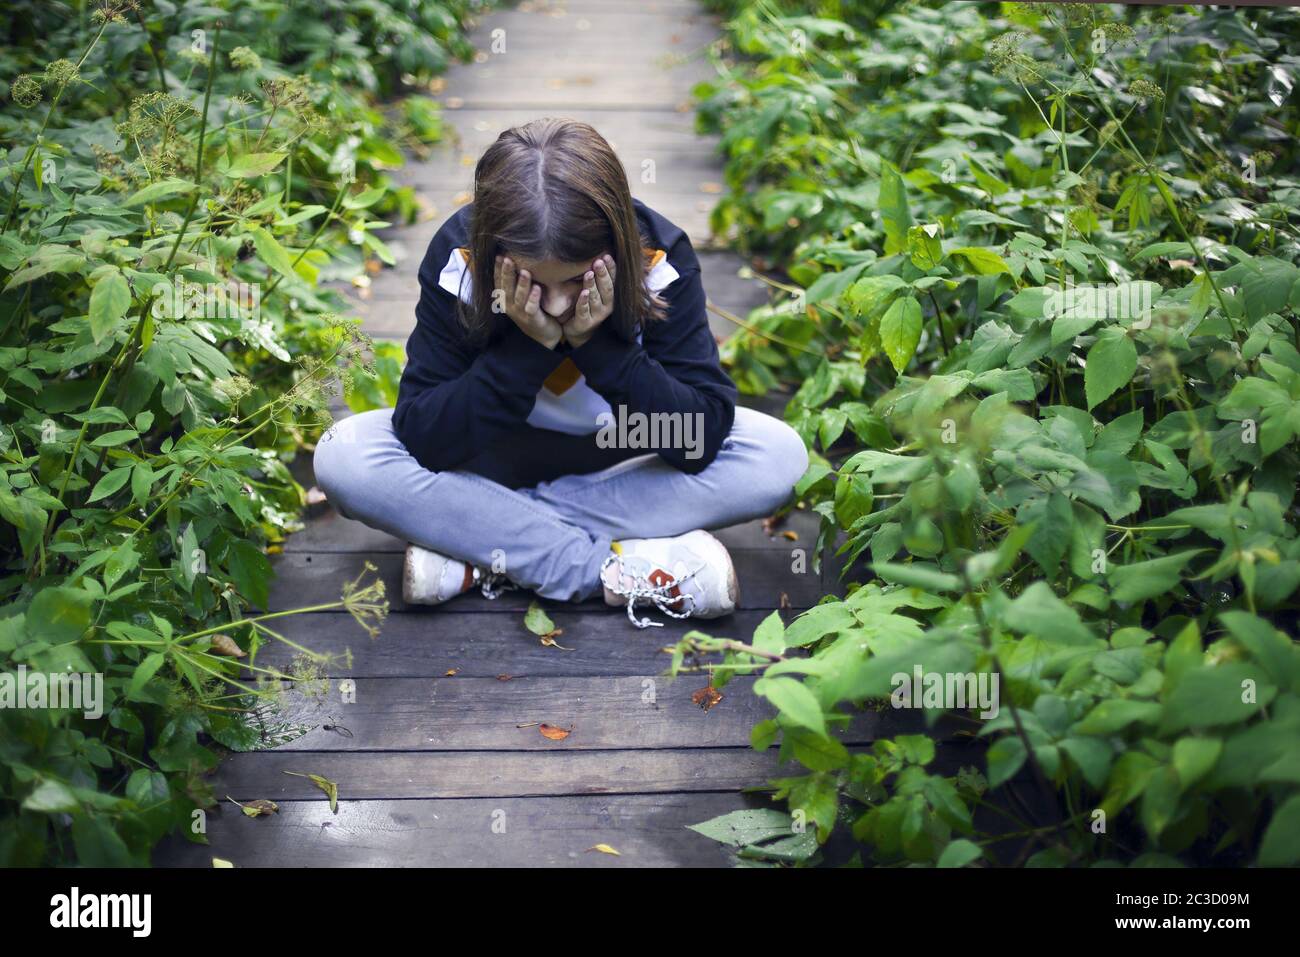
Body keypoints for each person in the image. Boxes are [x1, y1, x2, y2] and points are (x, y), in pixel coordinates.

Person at [312, 118, 808, 628]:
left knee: (779, 458)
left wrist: (603, 351)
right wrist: (527, 351)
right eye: (528, 282)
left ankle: (483, 546)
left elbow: (697, 440)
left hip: (622, 466)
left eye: (576, 281)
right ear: (492, 252)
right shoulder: (458, 261)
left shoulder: (659, 257)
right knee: (344, 455)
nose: (554, 304)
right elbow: (424, 440)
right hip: (487, 461)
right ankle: (608, 571)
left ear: (615, 248)